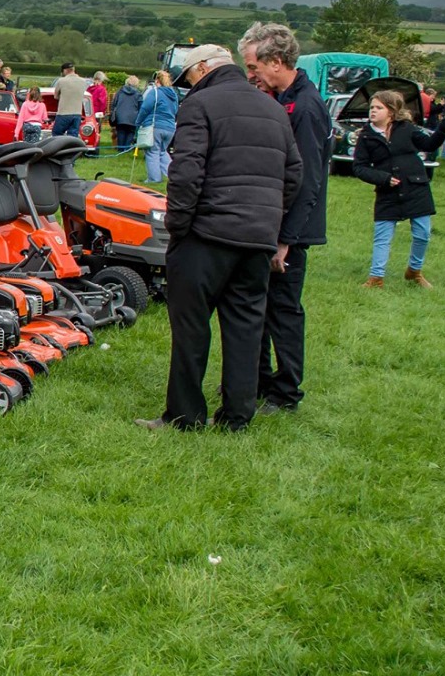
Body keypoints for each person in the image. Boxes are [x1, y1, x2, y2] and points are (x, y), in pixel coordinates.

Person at [136, 45, 302, 432]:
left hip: (206, 234)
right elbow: (294, 174)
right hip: (257, 239)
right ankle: (237, 416)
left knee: (191, 326)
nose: (189, 84)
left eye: (190, 76)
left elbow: (187, 171)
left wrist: (179, 225)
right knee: (246, 327)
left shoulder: (201, 104)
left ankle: (184, 414)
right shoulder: (273, 108)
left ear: (205, 69)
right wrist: (268, 217)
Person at [240, 22, 327, 414]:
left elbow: (308, 181)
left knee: (284, 311)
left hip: (287, 232)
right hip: (268, 223)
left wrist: (285, 239)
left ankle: (285, 393)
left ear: (276, 62)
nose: (250, 75)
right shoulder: (280, 98)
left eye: (254, 66)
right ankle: (259, 383)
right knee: (259, 306)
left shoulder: (306, 106)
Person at [351, 89, 445, 288]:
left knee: (422, 233)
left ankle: (414, 271)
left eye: (378, 108)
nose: (372, 111)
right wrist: (383, 178)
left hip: (416, 187)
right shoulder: (366, 136)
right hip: (387, 192)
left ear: (391, 111)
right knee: (382, 236)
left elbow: (430, 144)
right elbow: (359, 167)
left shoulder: (407, 128)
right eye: (371, 107)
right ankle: (376, 278)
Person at [140, 70, 179, 182]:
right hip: (170, 127)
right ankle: (172, 176)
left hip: (156, 126)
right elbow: (175, 110)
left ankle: (154, 179)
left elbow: (145, 108)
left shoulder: (154, 92)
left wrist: (139, 122)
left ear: (157, 81)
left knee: (152, 152)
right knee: (162, 151)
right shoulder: (174, 95)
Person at [51, 62, 90, 138]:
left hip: (63, 113)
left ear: (65, 71)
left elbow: (56, 96)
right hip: (77, 113)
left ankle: (59, 148)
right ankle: (71, 149)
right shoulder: (83, 81)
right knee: (73, 136)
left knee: (57, 134)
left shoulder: (61, 81)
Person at [109, 75, 144, 152]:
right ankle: (127, 149)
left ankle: (120, 149)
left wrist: (112, 114)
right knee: (130, 133)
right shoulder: (138, 94)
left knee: (121, 132)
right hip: (133, 117)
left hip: (120, 116)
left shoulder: (120, 92)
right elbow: (141, 107)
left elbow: (114, 103)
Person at [86, 72, 110, 151]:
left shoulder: (89, 88)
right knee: (97, 129)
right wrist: (102, 112)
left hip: (88, 111)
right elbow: (102, 102)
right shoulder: (101, 89)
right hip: (97, 112)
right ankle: (96, 145)